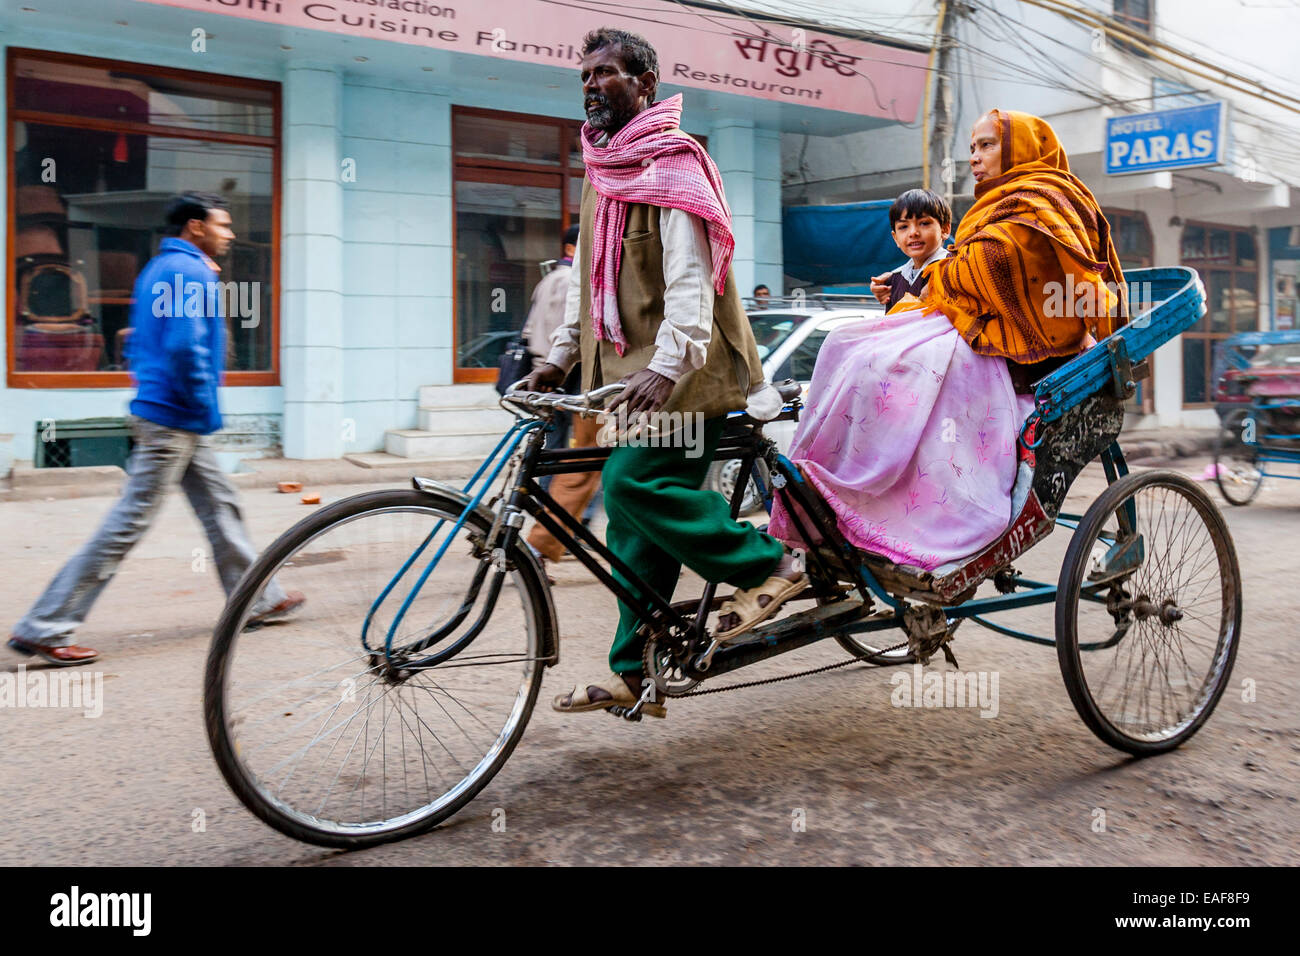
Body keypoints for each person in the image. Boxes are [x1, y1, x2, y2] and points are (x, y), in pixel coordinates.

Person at [521, 27, 804, 717]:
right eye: (585, 75)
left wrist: (668, 366)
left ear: (646, 87)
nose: (592, 85)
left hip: (690, 377)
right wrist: (557, 359)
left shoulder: (675, 163)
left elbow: (689, 280)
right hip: (630, 382)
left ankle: (771, 564)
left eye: (609, 73)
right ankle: (636, 672)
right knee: (631, 528)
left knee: (631, 484)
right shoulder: (601, 171)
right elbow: (590, 286)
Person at [766, 109, 1126, 571]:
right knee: (844, 345)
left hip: (1020, 344)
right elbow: (965, 271)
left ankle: (880, 495)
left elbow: (992, 271)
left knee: (889, 366)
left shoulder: (1043, 199)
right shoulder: (1001, 203)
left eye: (988, 145)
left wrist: (941, 277)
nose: (975, 156)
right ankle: (828, 486)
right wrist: (930, 282)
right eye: (973, 147)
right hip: (977, 325)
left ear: (1021, 148)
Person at [8, 193, 303, 666]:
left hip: (169, 411)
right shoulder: (189, 272)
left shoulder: (158, 270)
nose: (229, 233)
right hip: (174, 417)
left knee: (221, 505)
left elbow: (133, 339)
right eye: (222, 225)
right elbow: (186, 348)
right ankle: (44, 626)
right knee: (128, 523)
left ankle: (259, 599)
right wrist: (204, 405)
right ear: (195, 226)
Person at [524, 224, 603, 569]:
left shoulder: (547, 280)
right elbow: (571, 331)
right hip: (572, 378)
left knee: (565, 458)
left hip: (553, 373)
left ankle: (552, 531)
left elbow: (532, 330)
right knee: (576, 461)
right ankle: (561, 526)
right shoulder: (568, 278)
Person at [869, 189, 951, 308]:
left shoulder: (953, 269)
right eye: (903, 227)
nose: (913, 233)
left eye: (924, 223)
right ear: (895, 238)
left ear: (945, 230)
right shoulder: (896, 279)